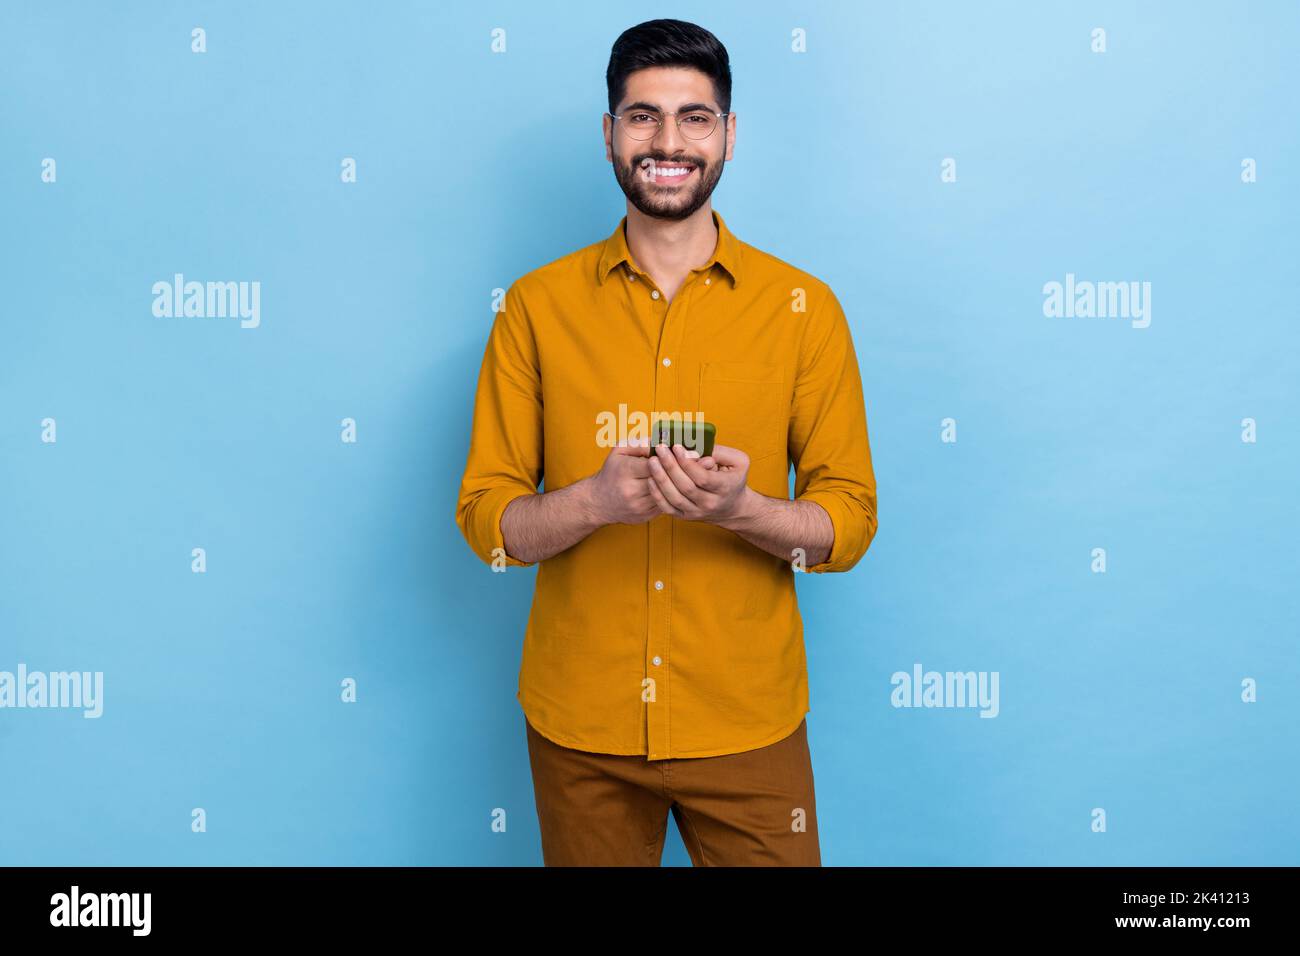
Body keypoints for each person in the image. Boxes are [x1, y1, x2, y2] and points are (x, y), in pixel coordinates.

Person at [455, 18, 878, 866]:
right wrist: (596, 501)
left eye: (695, 116)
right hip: (581, 727)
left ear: (728, 134)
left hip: (747, 723)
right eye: (642, 116)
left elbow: (848, 526)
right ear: (610, 134)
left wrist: (744, 510)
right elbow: (487, 524)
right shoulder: (535, 309)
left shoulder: (805, 311)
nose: (668, 140)